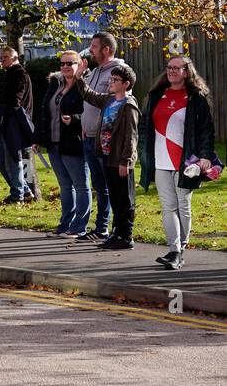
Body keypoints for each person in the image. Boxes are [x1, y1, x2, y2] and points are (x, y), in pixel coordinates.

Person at [140, 55, 217, 269]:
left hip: (186, 161)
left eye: (177, 68)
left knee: (183, 206)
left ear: (187, 71)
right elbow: (146, 125)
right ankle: (174, 250)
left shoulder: (196, 97)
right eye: (169, 68)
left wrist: (204, 156)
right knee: (168, 207)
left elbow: (206, 130)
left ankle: (180, 248)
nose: (172, 71)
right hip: (161, 160)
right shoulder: (157, 95)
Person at [77, 62, 140, 251]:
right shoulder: (109, 100)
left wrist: (126, 161)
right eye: (111, 79)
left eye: (115, 80)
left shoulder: (128, 106)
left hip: (120, 160)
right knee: (114, 196)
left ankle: (126, 235)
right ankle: (117, 233)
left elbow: (131, 135)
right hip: (107, 156)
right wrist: (79, 77)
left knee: (124, 199)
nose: (111, 82)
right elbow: (89, 95)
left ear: (126, 84)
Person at [34, 50, 91, 237]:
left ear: (79, 65)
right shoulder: (55, 84)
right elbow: (45, 112)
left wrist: (74, 120)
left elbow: (92, 112)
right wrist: (39, 138)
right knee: (65, 186)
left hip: (74, 142)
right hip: (54, 143)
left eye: (70, 63)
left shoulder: (84, 85)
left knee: (81, 185)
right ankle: (65, 224)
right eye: (63, 64)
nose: (66, 67)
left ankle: (79, 226)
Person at [79, 32, 126, 242]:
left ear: (107, 49)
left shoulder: (118, 72)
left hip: (104, 140)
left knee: (110, 187)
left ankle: (115, 230)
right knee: (100, 186)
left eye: (94, 46)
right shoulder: (96, 71)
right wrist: (82, 122)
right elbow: (88, 100)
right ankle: (101, 228)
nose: (90, 50)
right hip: (88, 136)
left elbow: (108, 103)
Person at [0, 47, 35, 204]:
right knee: (1, 160)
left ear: (15, 57)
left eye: (5, 57)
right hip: (10, 121)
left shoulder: (18, 73)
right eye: (1, 57)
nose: (2, 60)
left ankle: (18, 194)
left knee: (14, 159)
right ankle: (24, 190)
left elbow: (16, 99)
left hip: (14, 122)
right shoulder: (11, 73)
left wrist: (8, 113)